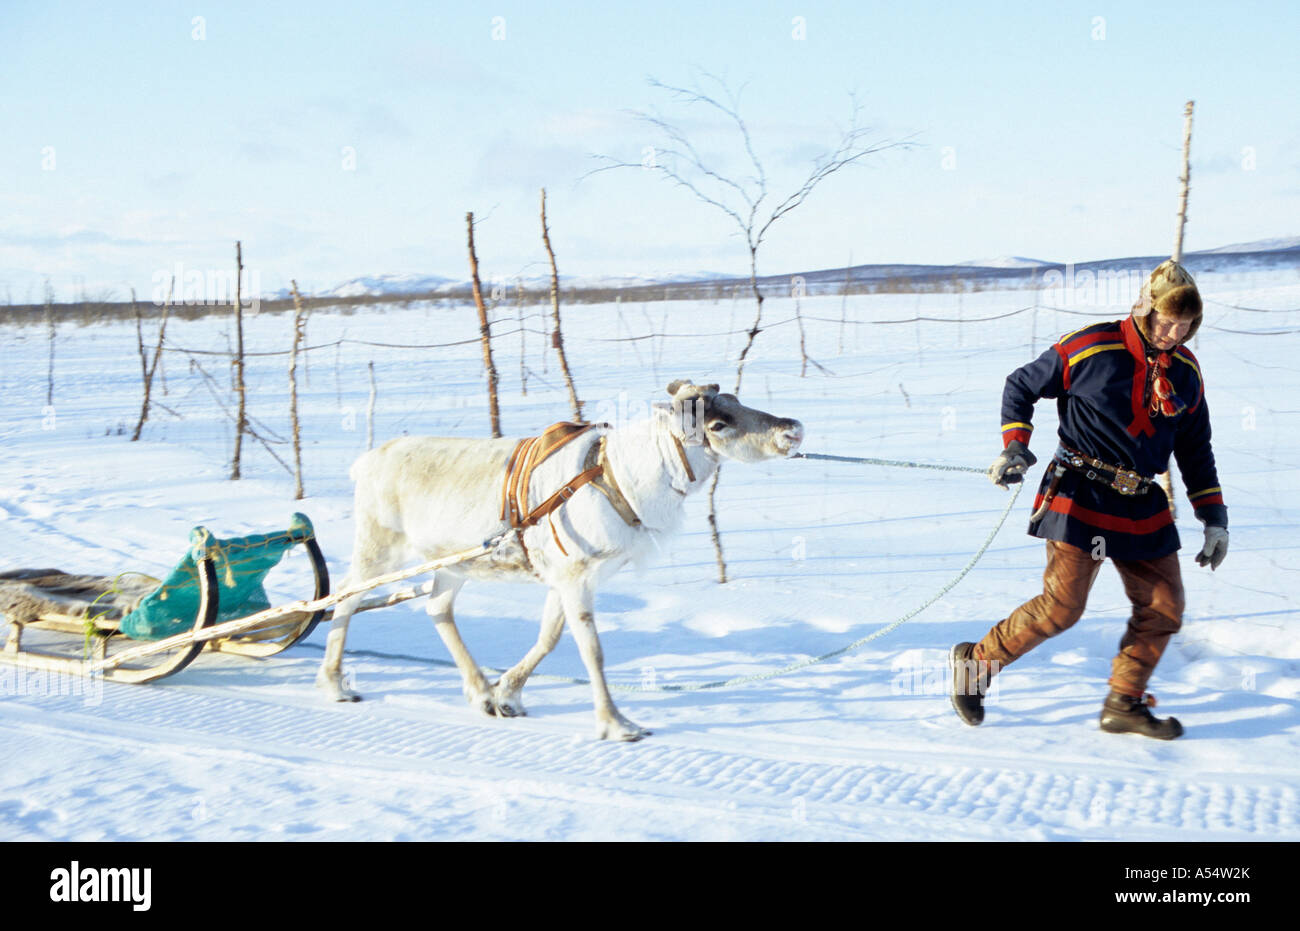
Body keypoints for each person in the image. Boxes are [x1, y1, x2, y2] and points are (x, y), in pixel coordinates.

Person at [950, 259, 1229, 739]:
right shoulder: (1093, 346)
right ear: (1146, 310)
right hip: (1080, 490)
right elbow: (1021, 385)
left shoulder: (1185, 372)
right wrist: (1015, 445)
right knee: (1063, 607)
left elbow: (1195, 448)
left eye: (1185, 325)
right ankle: (976, 663)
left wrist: (1214, 518)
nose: (1174, 333)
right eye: (1167, 321)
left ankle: (1124, 703)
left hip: (1141, 501)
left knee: (1164, 608)